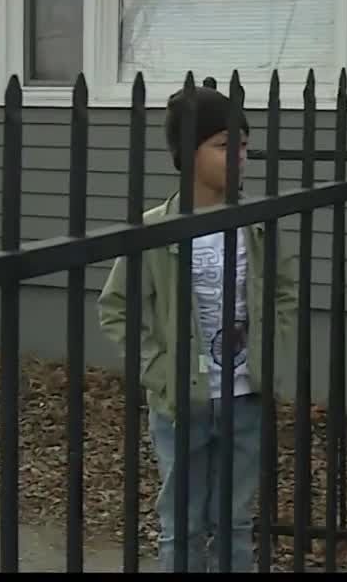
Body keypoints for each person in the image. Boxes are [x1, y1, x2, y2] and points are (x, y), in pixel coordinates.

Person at [97, 84, 298, 572]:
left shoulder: (256, 223)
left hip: (245, 397)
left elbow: (285, 293)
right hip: (181, 402)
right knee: (182, 524)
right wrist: (159, 368)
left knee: (234, 522)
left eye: (245, 146)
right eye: (226, 146)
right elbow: (116, 307)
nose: (241, 157)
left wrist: (271, 353)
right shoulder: (155, 228)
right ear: (186, 154)